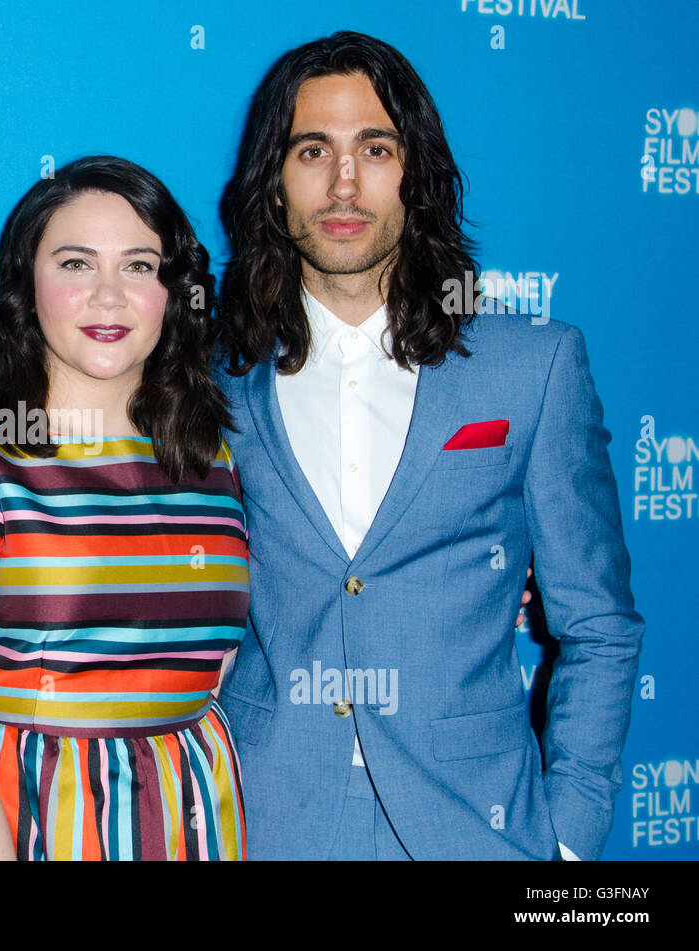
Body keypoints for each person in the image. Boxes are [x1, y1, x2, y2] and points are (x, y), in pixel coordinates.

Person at [216, 31, 644, 860]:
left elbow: (599, 623)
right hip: (264, 819)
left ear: (419, 173)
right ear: (274, 184)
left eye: (375, 148)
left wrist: (570, 836)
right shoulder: (214, 383)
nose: (345, 183)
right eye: (313, 150)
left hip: (476, 825)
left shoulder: (533, 366)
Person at [0, 156, 249, 860]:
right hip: (12, 822)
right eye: (76, 264)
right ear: (26, 285)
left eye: (140, 266)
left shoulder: (210, 463)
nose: (109, 295)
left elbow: (206, 682)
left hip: (187, 816)